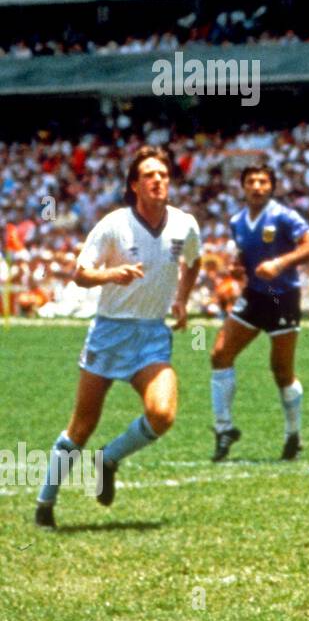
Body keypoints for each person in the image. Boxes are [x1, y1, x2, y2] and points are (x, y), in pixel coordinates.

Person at [34, 146, 201, 528]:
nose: (158, 180)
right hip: (110, 332)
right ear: (134, 185)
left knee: (162, 414)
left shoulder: (184, 225)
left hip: (152, 334)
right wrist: (112, 274)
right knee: (82, 425)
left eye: (163, 174)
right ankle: (45, 502)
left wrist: (182, 299)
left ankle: (108, 459)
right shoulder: (114, 225)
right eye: (149, 175)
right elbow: (80, 274)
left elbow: (194, 261)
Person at [209, 165, 309, 462]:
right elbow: (244, 257)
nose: (257, 186)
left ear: (271, 187)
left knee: (281, 371)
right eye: (251, 181)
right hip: (255, 296)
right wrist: (238, 268)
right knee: (220, 354)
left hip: (282, 298)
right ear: (243, 187)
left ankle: (293, 434)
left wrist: (280, 263)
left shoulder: (284, 216)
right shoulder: (237, 222)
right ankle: (224, 429)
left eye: (263, 181)